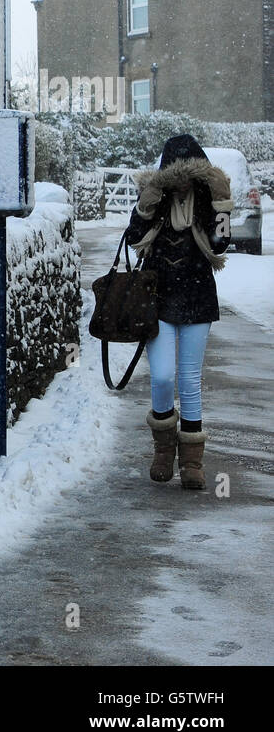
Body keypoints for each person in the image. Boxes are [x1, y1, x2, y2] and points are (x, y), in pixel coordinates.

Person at [127, 135, 233, 489]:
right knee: (161, 377)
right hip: (156, 299)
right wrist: (146, 205)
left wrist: (223, 204)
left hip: (198, 298)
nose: (184, 180)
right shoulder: (154, 198)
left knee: (189, 381)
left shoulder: (207, 200)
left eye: (191, 172)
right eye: (177, 172)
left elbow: (220, 243)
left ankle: (191, 462)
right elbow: (133, 237)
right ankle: (162, 449)